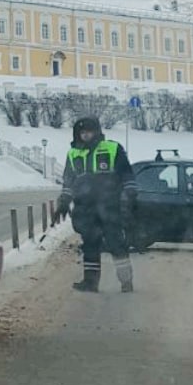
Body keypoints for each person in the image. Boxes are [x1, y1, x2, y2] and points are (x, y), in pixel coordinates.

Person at [56, 117, 137, 293]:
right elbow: (68, 181)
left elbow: (126, 174)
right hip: (85, 209)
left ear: (97, 132)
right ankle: (90, 283)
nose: (85, 135)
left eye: (89, 132)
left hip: (110, 206)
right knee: (90, 245)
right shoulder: (73, 153)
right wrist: (63, 201)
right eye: (82, 132)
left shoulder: (112, 148)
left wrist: (129, 193)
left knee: (116, 244)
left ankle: (126, 281)